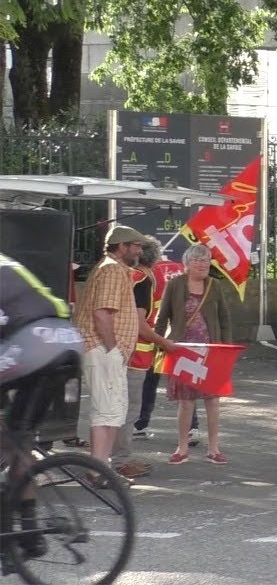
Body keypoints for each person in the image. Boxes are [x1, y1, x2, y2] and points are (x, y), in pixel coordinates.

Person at [0, 251, 90, 551]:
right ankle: (28, 534)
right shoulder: (6, 261)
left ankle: (20, 530)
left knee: (13, 438)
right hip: (66, 341)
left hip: (32, 344)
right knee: (18, 440)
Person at [71, 226, 149, 482]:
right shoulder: (112, 270)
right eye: (135, 245)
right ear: (121, 246)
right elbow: (102, 313)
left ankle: (101, 469)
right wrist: (113, 348)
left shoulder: (111, 269)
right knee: (107, 412)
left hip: (103, 350)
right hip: (103, 350)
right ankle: (97, 470)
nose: (139, 250)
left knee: (111, 412)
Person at [154, 244, 232, 465]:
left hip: (211, 351)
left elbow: (224, 318)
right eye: (198, 260)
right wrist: (158, 345)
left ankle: (214, 448)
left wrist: (226, 348)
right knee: (186, 401)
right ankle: (182, 447)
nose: (203, 264)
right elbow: (162, 318)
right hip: (183, 352)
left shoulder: (214, 286)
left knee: (212, 400)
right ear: (187, 263)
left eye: (206, 260)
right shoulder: (175, 284)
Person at [129, 238, 188, 443]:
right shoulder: (178, 271)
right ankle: (192, 428)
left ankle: (140, 424)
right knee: (180, 381)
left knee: (148, 384)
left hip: (150, 337)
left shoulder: (139, 277)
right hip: (169, 334)